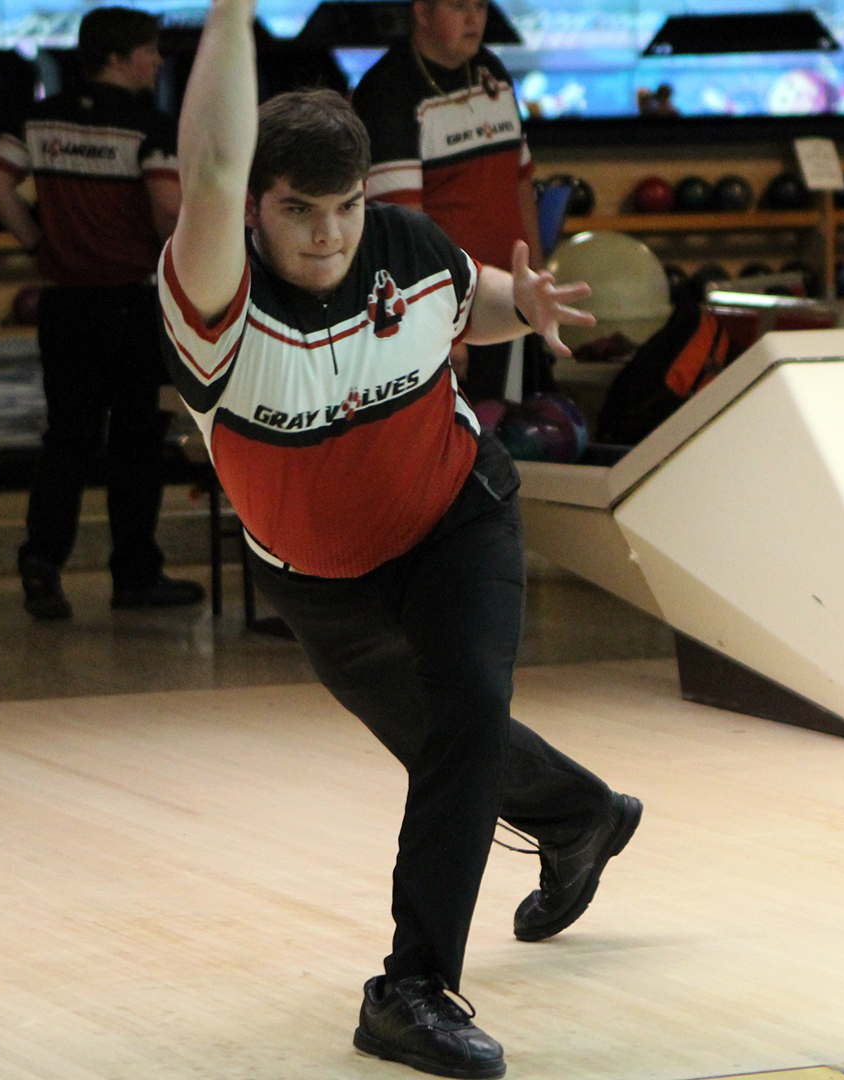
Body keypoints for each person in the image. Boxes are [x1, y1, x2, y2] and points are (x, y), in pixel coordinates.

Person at [158, 0, 639, 1074]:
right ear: (254, 213)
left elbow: (475, 302)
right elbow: (211, 158)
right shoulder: (217, 305)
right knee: (445, 744)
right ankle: (580, 817)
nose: (326, 233)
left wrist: (534, 304)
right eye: (297, 211)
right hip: (319, 579)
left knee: (468, 710)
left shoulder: (405, 244)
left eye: (340, 206)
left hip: (456, 515)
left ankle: (413, 988)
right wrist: (233, 13)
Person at [0, 7, 204, 620]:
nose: (157, 62)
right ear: (117, 57)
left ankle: (42, 564)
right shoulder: (147, 127)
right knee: (136, 445)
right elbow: (165, 209)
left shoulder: (39, 118)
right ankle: (135, 577)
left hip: (65, 303)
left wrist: (38, 246)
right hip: (132, 304)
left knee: (67, 440)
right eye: (149, 51)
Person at [351, 0, 547, 402]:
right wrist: (443, 328)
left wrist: (539, 285)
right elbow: (403, 225)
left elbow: (521, 185)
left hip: (511, 299)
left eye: (480, 5)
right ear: (422, 12)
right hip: (453, 313)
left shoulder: (494, 71)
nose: (475, 18)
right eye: (459, 6)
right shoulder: (388, 90)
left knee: (515, 432)